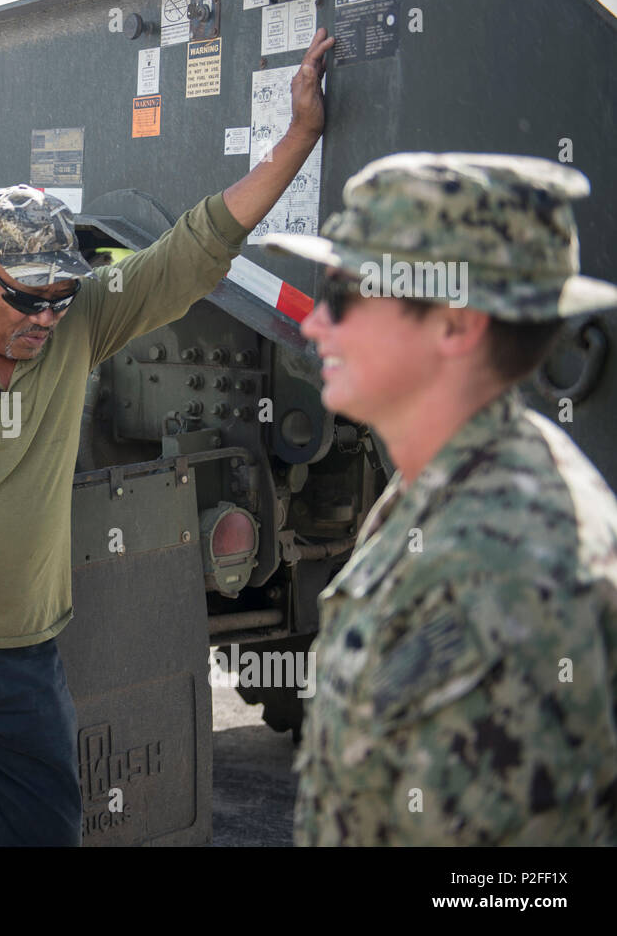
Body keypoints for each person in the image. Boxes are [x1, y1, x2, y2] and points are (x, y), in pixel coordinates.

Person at [0, 30, 335, 846]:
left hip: (25, 663)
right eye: (27, 300)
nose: (46, 319)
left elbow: (193, 250)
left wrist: (298, 137)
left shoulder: (76, 325)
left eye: (62, 298)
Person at [263, 152, 617, 845]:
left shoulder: (499, 574)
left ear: (455, 323)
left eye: (343, 295)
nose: (314, 324)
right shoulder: (449, 489)